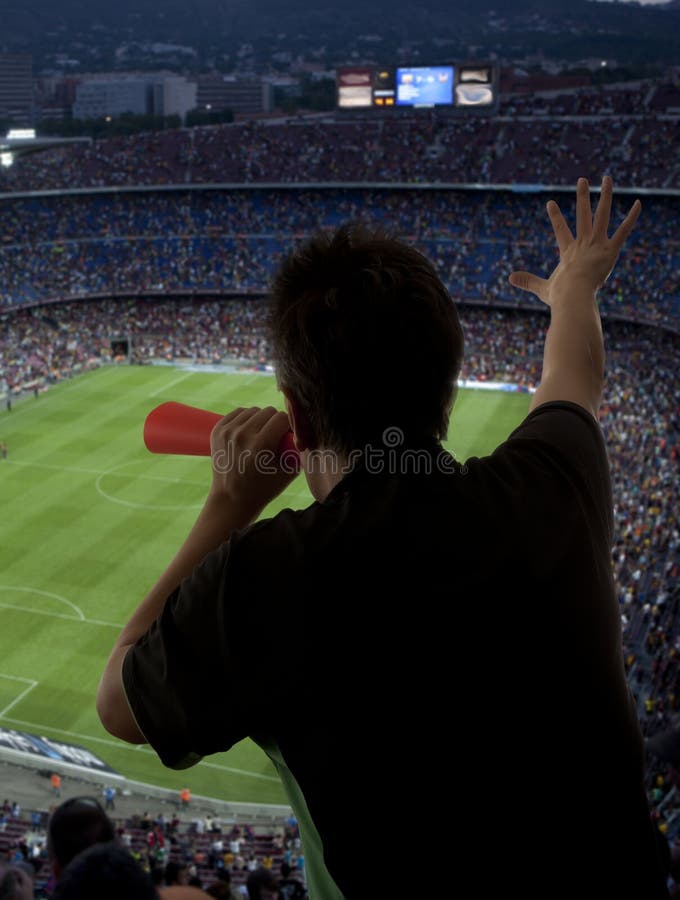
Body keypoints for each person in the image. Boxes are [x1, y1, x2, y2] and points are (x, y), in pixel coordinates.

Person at [97, 177, 670, 898]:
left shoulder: (266, 576)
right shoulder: (554, 484)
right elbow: (574, 376)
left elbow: (117, 702)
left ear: (298, 421)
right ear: (448, 391)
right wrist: (577, 285)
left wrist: (226, 505)